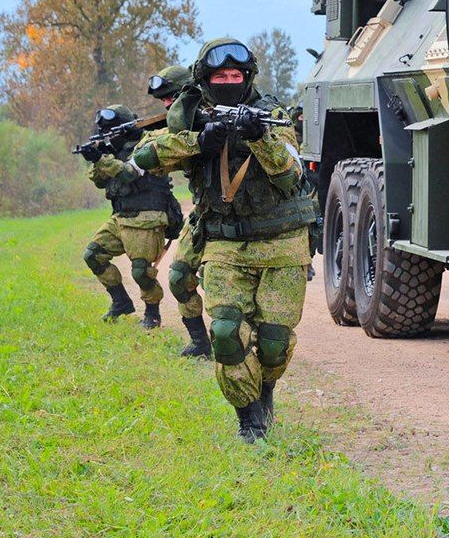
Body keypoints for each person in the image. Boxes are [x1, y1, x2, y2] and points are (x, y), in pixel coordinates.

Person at [133, 39, 317, 441]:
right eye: (221, 76)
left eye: (237, 76)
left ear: (247, 78)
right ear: (207, 79)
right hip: (224, 244)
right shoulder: (192, 118)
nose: (230, 82)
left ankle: (263, 391)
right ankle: (249, 420)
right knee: (226, 332)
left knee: (273, 342)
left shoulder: (271, 114)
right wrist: (201, 140)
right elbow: (144, 157)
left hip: (282, 243)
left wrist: (258, 138)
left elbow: (290, 171)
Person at [80, 105, 178, 328]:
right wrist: (98, 157)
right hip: (120, 217)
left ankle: (152, 314)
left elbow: (129, 174)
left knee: (141, 271)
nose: (109, 136)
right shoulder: (112, 152)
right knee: (93, 255)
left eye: (112, 131)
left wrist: (103, 159)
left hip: (147, 217)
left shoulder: (146, 145)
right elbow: (99, 181)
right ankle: (121, 302)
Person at [147, 64, 211, 358]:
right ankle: (200, 343)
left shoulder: (220, 113)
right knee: (178, 277)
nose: (168, 106)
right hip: (204, 215)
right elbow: (150, 153)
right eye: (163, 102)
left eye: (172, 98)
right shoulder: (180, 126)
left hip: (243, 218)